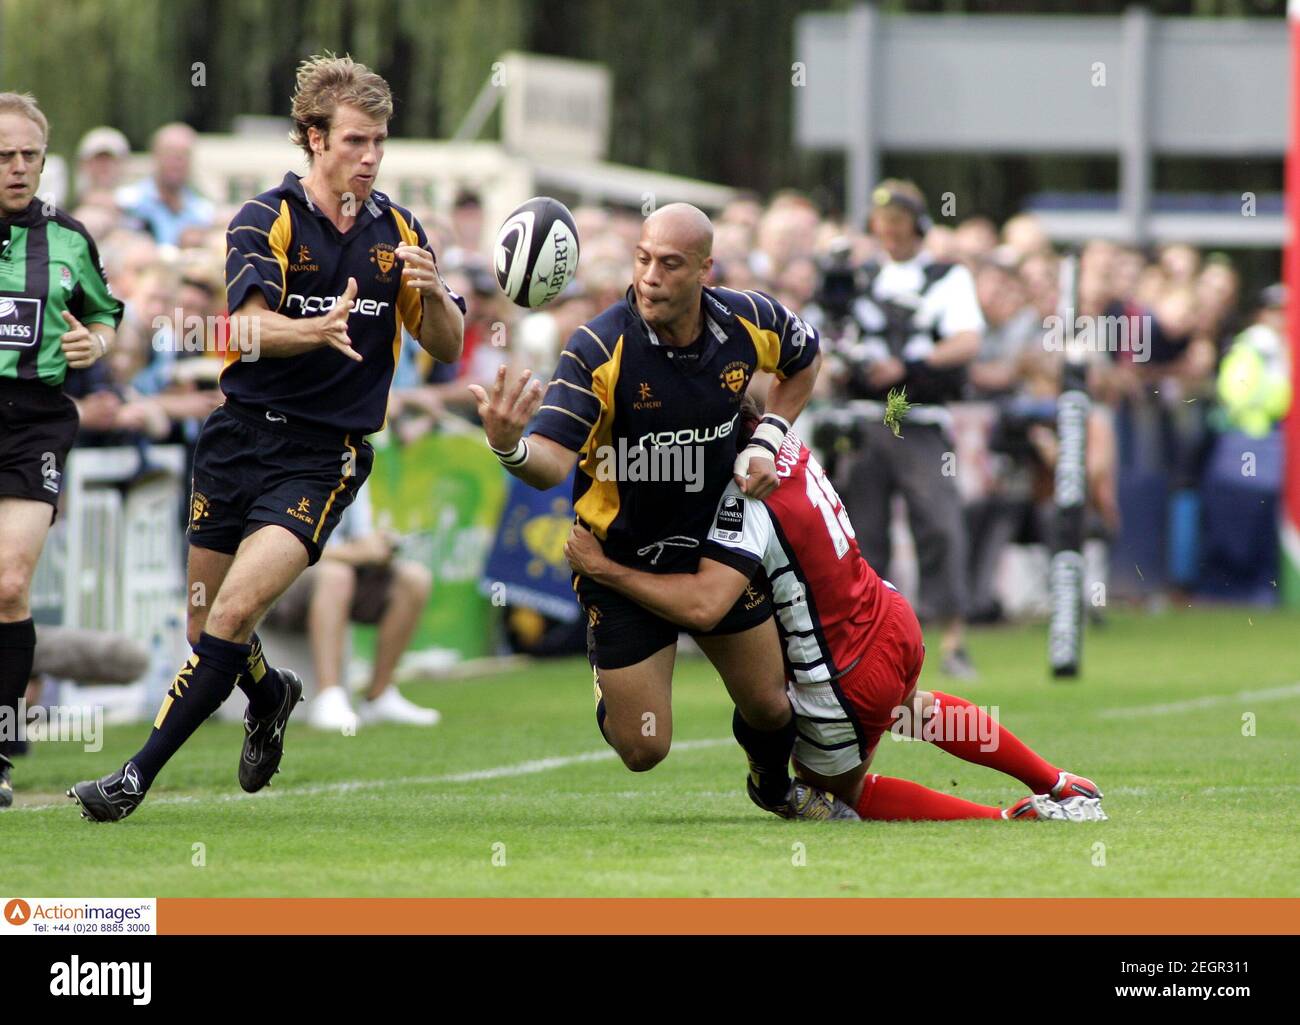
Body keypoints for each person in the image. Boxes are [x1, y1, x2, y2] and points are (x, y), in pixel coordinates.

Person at [69, 53, 465, 822]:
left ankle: (131, 780)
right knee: (203, 621)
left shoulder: (401, 231)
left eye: (379, 141)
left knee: (227, 617)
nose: (371, 156)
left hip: (323, 455)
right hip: (238, 438)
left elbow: (446, 343)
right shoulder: (265, 218)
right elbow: (242, 327)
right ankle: (272, 690)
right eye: (355, 140)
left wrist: (432, 293)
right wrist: (312, 329)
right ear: (313, 138)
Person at [469, 203, 851, 820]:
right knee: (644, 748)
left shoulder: (749, 319)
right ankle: (610, 686)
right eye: (643, 260)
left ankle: (772, 786)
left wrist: (766, 437)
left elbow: (804, 364)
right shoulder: (597, 345)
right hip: (617, 556)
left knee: (772, 707)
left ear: (705, 270)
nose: (649, 277)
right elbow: (550, 464)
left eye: (670, 265)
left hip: (712, 548)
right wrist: (509, 444)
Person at [564, 398, 1106, 823]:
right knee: (911, 708)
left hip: (844, 672)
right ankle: (1056, 780)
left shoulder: (743, 490)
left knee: (842, 792)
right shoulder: (784, 441)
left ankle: (1004, 818)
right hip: (890, 617)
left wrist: (606, 571)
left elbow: (705, 606)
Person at [0, 92, 123, 807]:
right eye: (4, 155)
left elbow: (108, 315)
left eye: (29, 156)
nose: (18, 168)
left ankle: (2, 748)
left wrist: (95, 342)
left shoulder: (70, 237)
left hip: (36, 420)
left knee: (10, 584)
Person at [827, 180, 983, 679]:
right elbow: (828, 334)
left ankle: (953, 639)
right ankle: (868, 644)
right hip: (865, 418)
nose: (889, 232)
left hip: (917, 417)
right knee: (861, 535)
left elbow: (966, 340)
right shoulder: (857, 277)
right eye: (882, 224)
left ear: (917, 225)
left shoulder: (946, 277)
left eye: (898, 223)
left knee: (939, 523)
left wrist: (909, 363)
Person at [263, 482, 440, 731]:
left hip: (337, 570)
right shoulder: (285, 459)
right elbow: (276, 551)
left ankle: (379, 696)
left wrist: (377, 547)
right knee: (337, 575)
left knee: (414, 579)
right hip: (276, 583)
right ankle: (329, 697)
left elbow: (360, 535)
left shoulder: (355, 459)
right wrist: (354, 553)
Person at [114, 122, 215, 247]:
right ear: (155, 156)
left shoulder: (201, 209)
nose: (177, 162)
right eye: (169, 153)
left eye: (183, 155)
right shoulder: (129, 200)